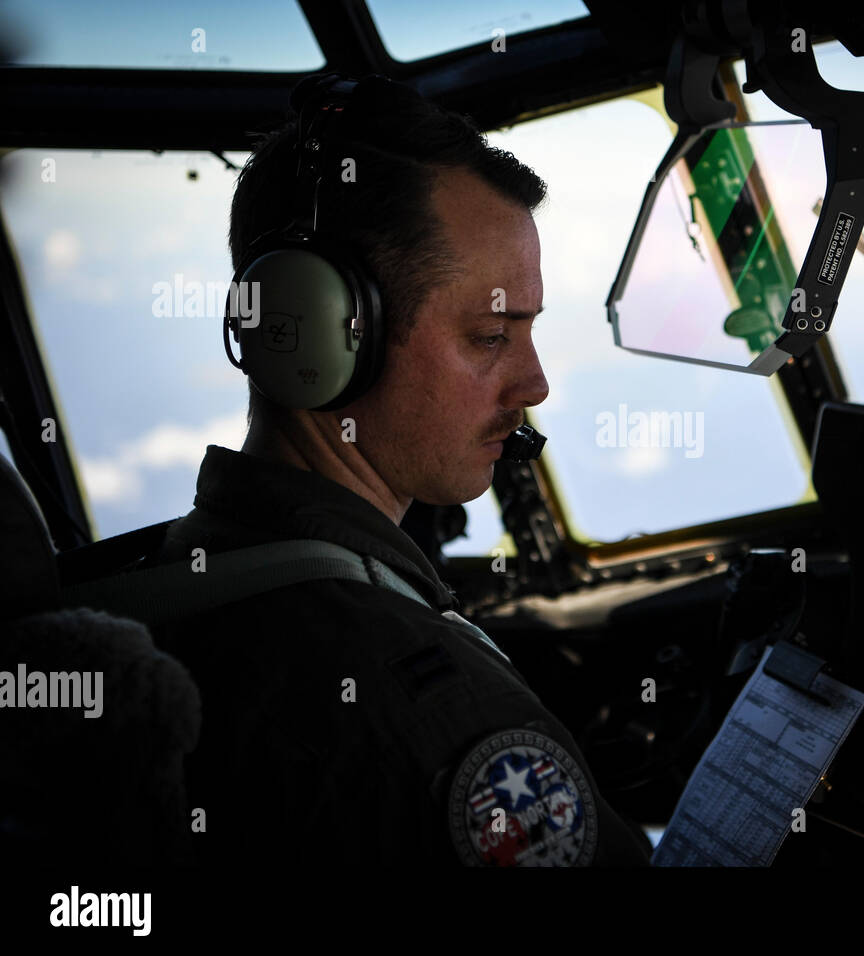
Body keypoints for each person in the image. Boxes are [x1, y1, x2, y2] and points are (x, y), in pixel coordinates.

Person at [145, 73, 652, 867]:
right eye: (491, 334)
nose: (535, 383)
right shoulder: (431, 714)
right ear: (321, 337)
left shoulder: (177, 573)